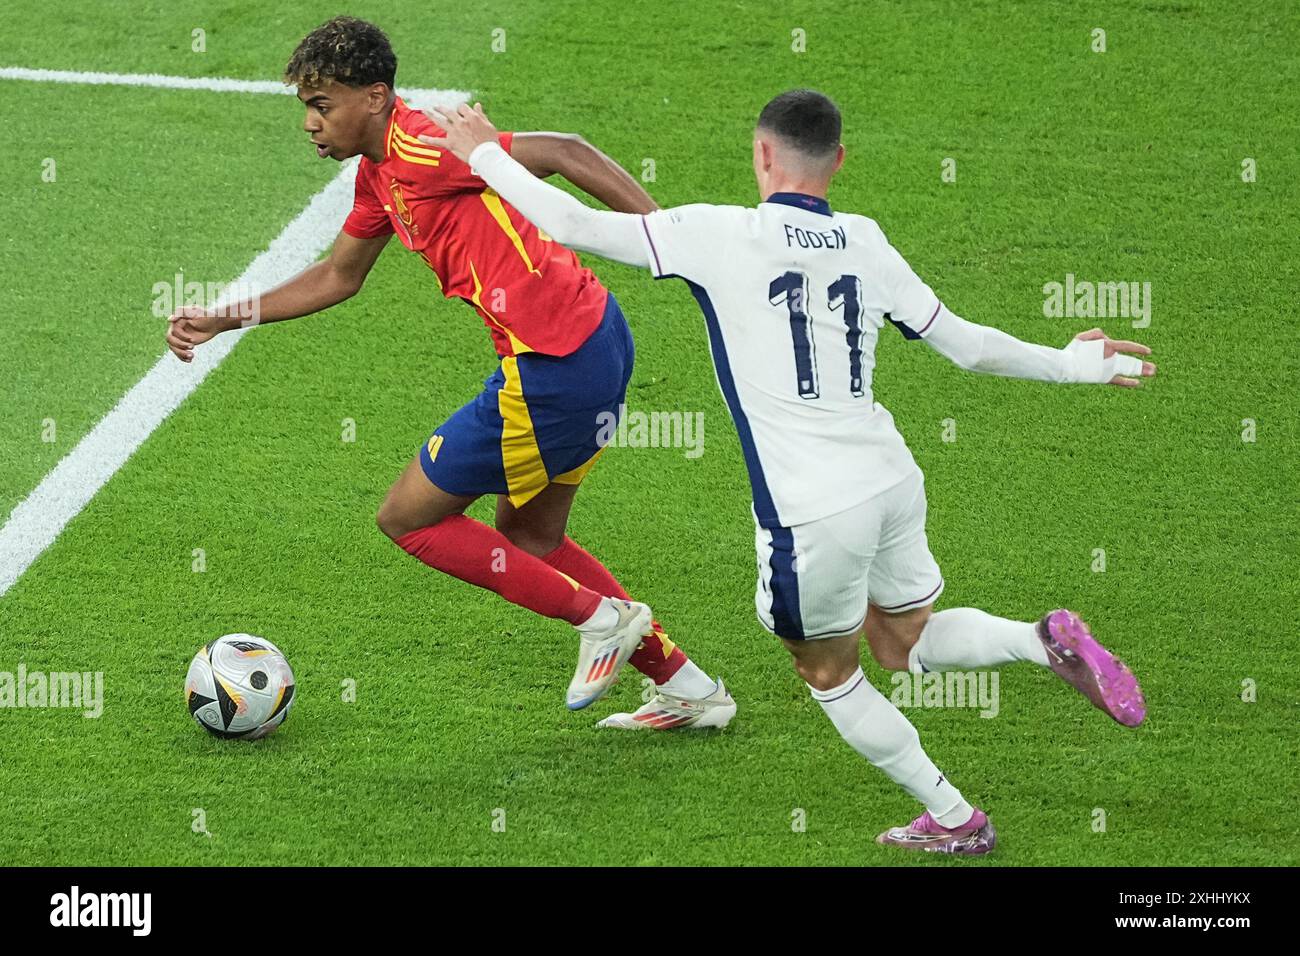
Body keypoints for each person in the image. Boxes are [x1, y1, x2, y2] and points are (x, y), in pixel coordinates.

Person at [420, 89, 1155, 854]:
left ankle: (954, 817)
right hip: (891, 478)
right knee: (905, 641)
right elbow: (966, 345)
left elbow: (571, 222)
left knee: (830, 672)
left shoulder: (715, 233)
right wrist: (1073, 365)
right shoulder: (867, 241)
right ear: (837, 162)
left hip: (813, 513)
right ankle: (1040, 640)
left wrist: (483, 153)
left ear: (761, 154)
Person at [164, 16, 735, 725]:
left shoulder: (424, 145)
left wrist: (668, 241)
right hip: (592, 341)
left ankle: (600, 620)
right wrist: (225, 316)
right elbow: (338, 276)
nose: (311, 124)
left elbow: (564, 150)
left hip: (551, 368)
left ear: (374, 97)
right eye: (306, 108)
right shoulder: (378, 175)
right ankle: (689, 690)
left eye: (322, 105)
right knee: (533, 540)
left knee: (409, 518)